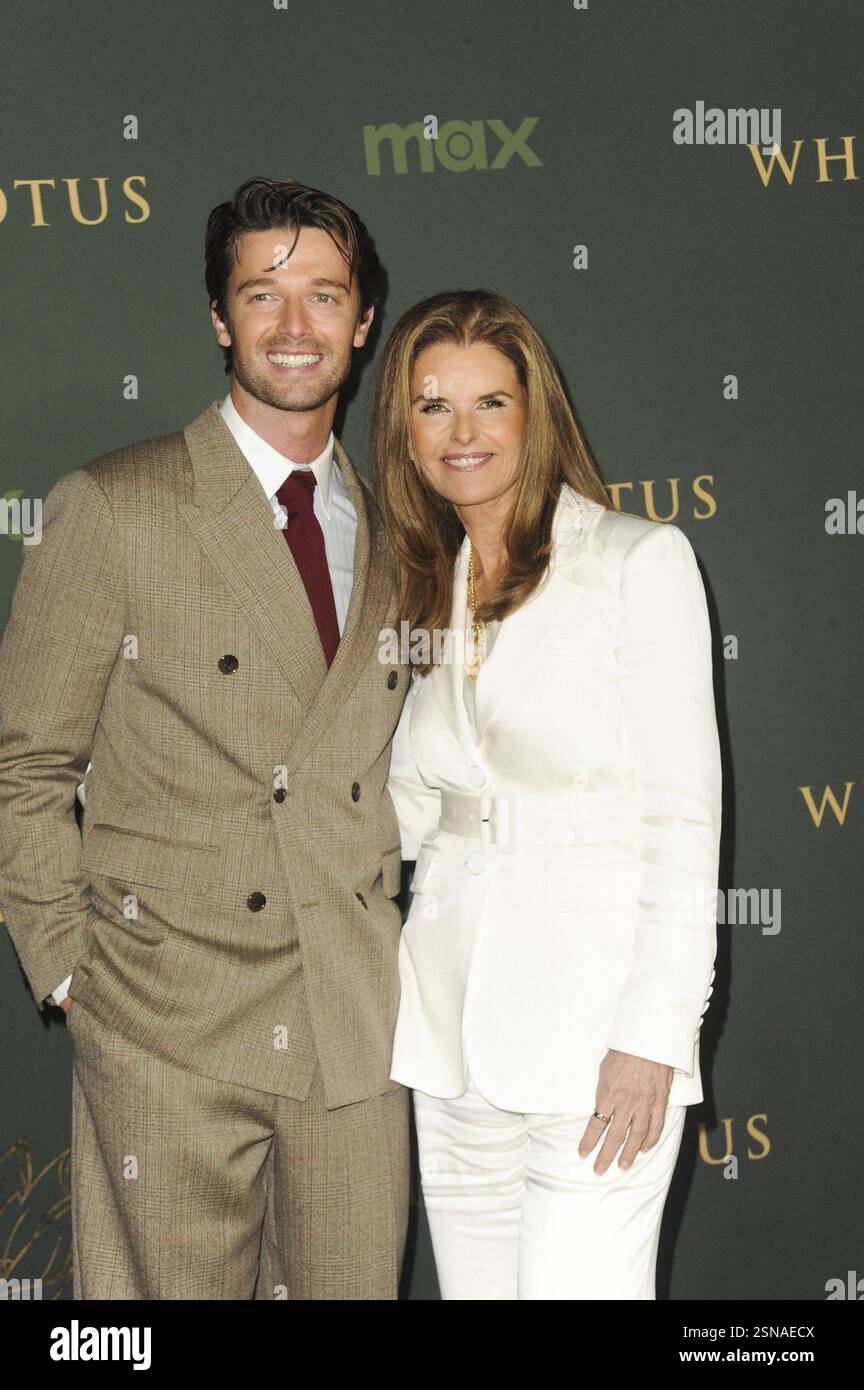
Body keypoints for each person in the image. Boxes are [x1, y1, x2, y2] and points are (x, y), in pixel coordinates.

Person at [0, 176, 412, 1300]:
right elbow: (23, 764)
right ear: (219, 318)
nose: (294, 326)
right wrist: (73, 975)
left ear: (363, 320)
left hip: (352, 1027)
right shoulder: (119, 504)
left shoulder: (393, 528)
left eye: (324, 296)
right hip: (164, 1021)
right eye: (262, 294)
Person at [375, 289, 722, 1300]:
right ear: (406, 430)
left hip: (593, 1043)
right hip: (450, 1042)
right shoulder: (420, 587)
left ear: (537, 414)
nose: (464, 432)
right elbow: (403, 808)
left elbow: (683, 819)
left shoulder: (636, 563)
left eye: (492, 402)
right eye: (434, 406)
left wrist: (654, 1036)